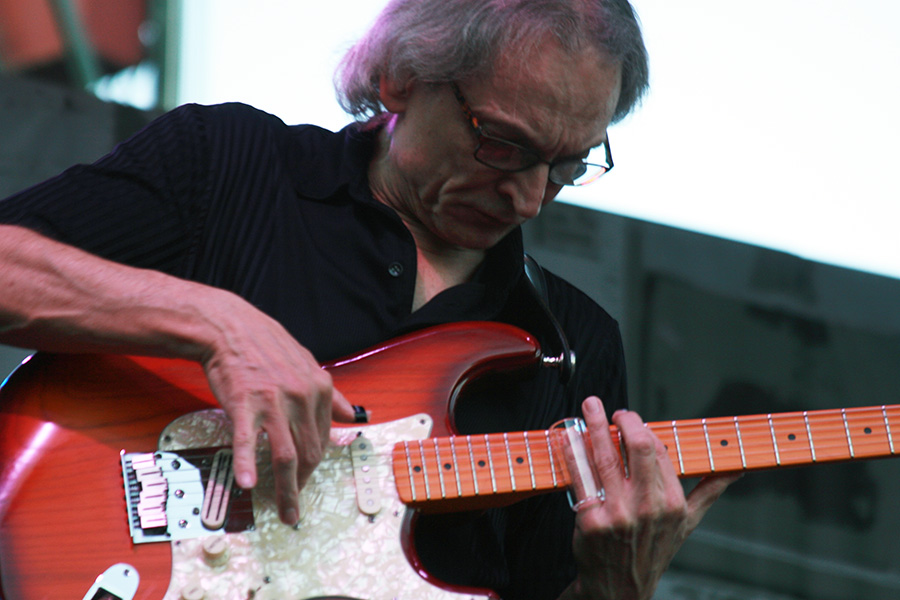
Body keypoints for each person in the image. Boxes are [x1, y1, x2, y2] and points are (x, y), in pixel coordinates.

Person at [0, 0, 739, 598]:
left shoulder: (574, 344)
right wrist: (213, 322)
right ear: (400, 78)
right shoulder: (228, 164)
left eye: (566, 166)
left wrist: (615, 587)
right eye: (502, 144)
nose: (528, 198)